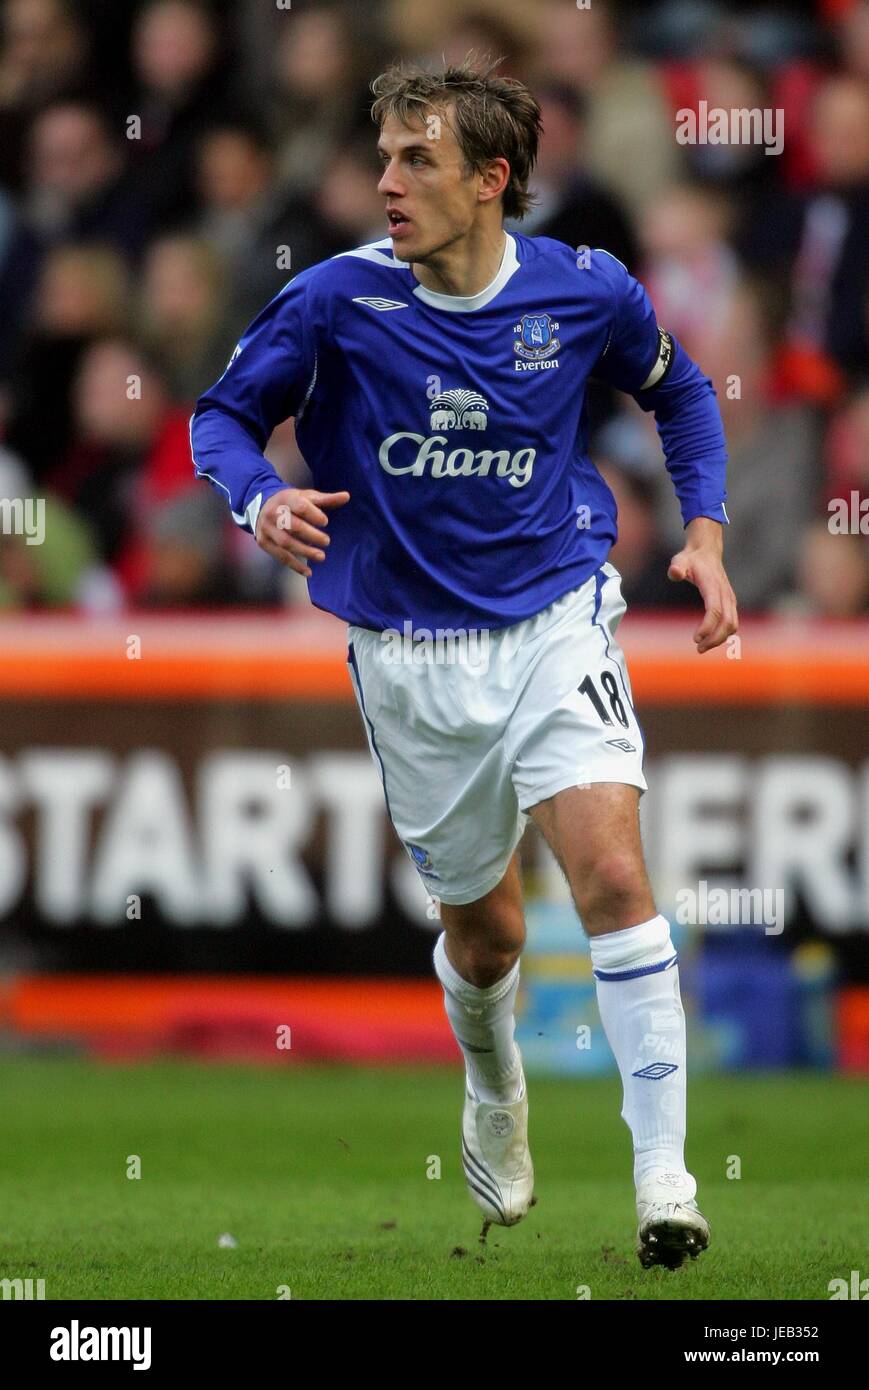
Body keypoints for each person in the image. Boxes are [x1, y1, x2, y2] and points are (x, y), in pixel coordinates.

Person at [190, 57, 738, 1270]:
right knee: (484, 936)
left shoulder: (584, 291)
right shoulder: (337, 301)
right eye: (381, 156)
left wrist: (700, 534)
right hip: (409, 654)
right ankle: (492, 1084)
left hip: (552, 616)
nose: (385, 181)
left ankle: (665, 1182)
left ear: (491, 180)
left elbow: (680, 391)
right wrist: (257, 498)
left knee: (607, 871)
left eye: (415, 159)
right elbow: (218, 416)